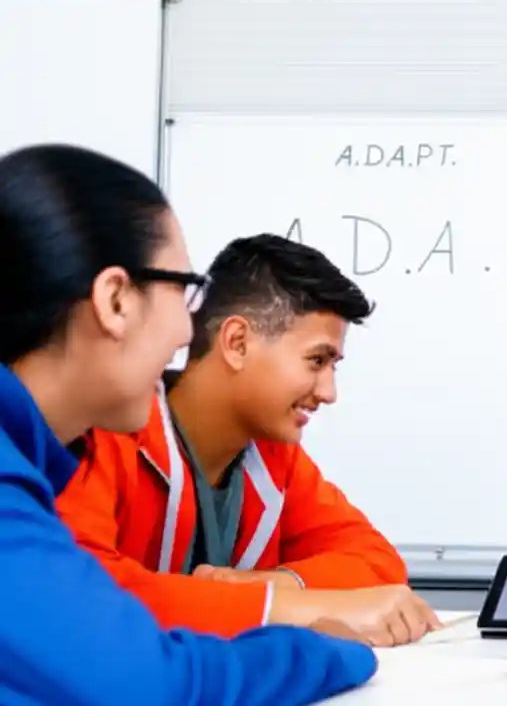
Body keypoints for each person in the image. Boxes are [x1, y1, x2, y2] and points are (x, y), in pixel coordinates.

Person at [0, 143, 374, 703]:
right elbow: (145, 678)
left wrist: (268, 588)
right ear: (115, 300)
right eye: (183, 289)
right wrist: (318, 640)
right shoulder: (67, 459)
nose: (184, 331)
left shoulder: (39, 458)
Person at [56, 234, 439, 646]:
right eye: (317, 360)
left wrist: (271, 583)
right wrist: (286, 607)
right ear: (237, 343)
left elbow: (378, 562)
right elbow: (78, 592)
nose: (329, 392)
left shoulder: (275, 459)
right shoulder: (104, 434)